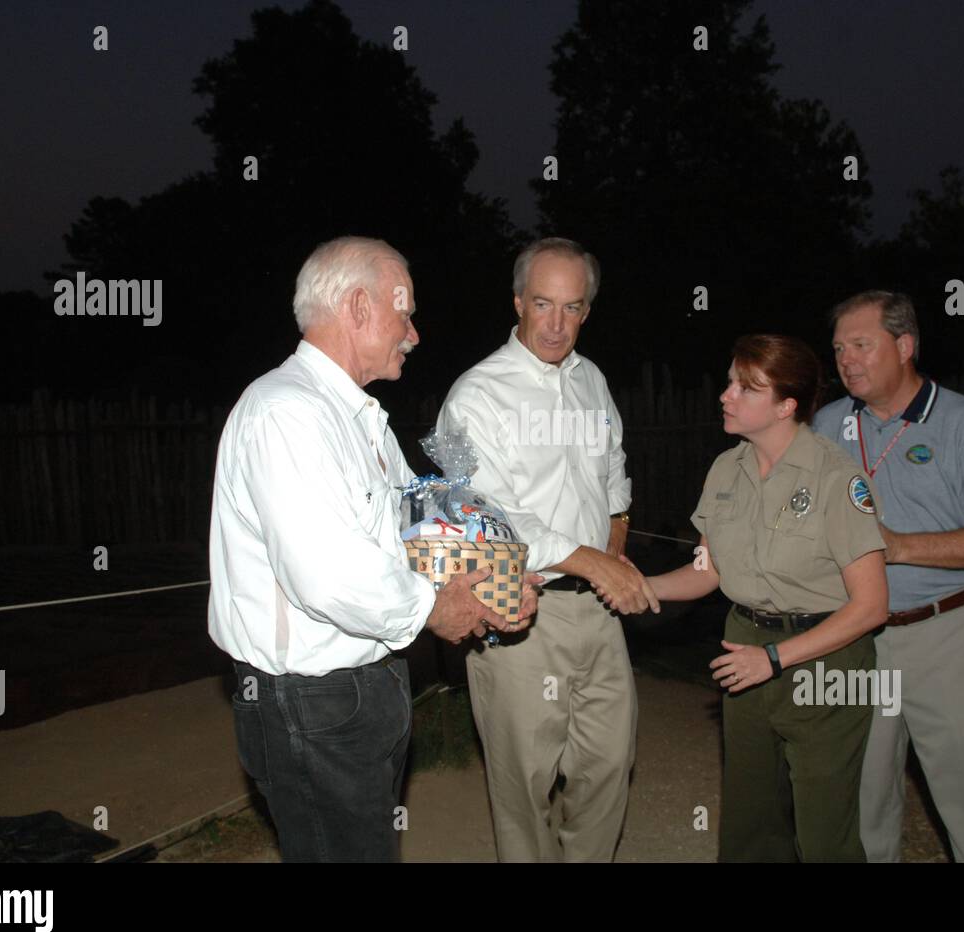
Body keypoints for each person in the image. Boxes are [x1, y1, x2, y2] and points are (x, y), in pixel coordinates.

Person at [207, 236, 538, 862]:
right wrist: (436, 610)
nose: (414, 333)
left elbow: (402, 544)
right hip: (312, 701)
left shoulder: (362, 421)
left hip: (364, 685)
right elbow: (328, 575)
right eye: (403, 311)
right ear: (357, 307)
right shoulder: (288, 414)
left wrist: (489, 580)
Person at [436, 237, 658, 862]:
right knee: (523, 784)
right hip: (520, 610)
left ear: (588, 310)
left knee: (610, 764)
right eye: (543, 304)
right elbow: (486, 514)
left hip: (599, 607)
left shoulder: (593, 381)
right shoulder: (477, 394)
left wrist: (613, 546)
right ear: (517, 303)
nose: (557, 324)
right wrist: (592, 561)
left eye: (573, 307)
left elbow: (614, 477)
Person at [643, 334, 889, 862]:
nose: (726, 395)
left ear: (787, 405)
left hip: (826, 659)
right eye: (731, 382)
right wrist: (642, 585)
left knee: (825, 832)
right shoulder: (726, 470)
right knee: (750, 823)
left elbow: (871, 607)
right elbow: (707, 571)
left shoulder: (837, 477)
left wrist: (775, 659)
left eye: (746, 387)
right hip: (744, 647)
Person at [813, 290, 964, 863]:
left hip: (949, 632)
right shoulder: (828, 423)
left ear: (905, 345)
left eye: (861, 345)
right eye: (839, 348)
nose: (847, 360)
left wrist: (901, 546)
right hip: (858, 638)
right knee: (859, 794)